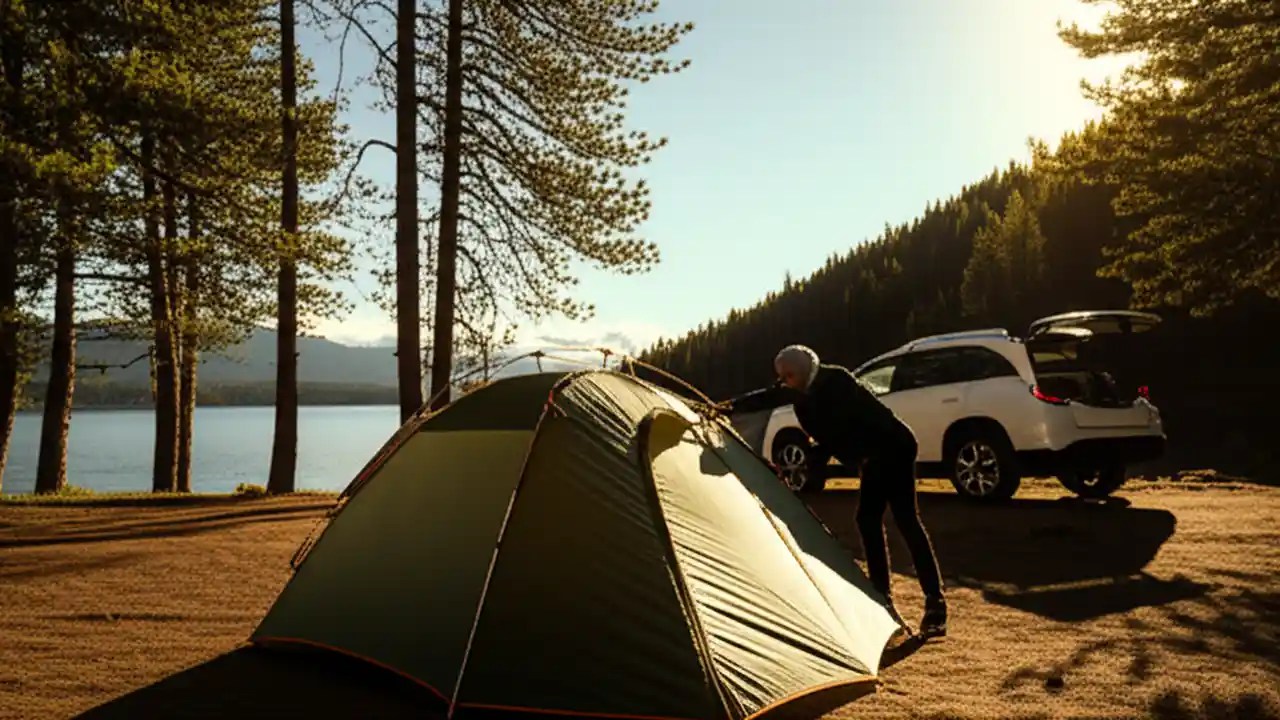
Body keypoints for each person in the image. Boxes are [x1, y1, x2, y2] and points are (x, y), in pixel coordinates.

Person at [720, 344, 947, 638]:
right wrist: (730, 406)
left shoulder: (837, 382)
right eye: (781, 376)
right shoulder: (798, 388)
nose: (783, 381)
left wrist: (814, 460)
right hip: (869, 456)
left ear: (803, 372)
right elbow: (769, 396)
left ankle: (934, 602)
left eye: (788, 375)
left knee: (904, 519)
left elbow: (840, 429)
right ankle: (882, 597)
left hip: (894, 447)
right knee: (867, 519)